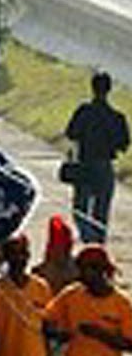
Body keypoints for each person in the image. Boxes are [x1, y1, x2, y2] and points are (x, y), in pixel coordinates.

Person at [64, 71, 128, 244]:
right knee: (102, 210)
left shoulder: (84, 112)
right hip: (105, 165)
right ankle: (98, 242)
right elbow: (124, 144)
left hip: (84, 163)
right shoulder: (117, 117)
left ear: (92, 88)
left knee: (80, 209)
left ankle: (88, 238)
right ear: (109, 89)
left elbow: (71, 133)